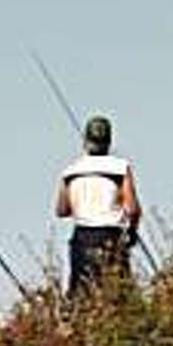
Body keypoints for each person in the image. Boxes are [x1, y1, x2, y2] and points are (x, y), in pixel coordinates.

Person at [55, 114, 142, 294]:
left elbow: (62, 210)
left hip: (82, 239)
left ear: (85, 141)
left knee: (81, 295)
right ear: (109, 142)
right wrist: (132, 231)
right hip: (111, 237)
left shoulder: (70, 171)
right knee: (118, 295)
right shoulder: (120, 167)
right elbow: (132, 209)